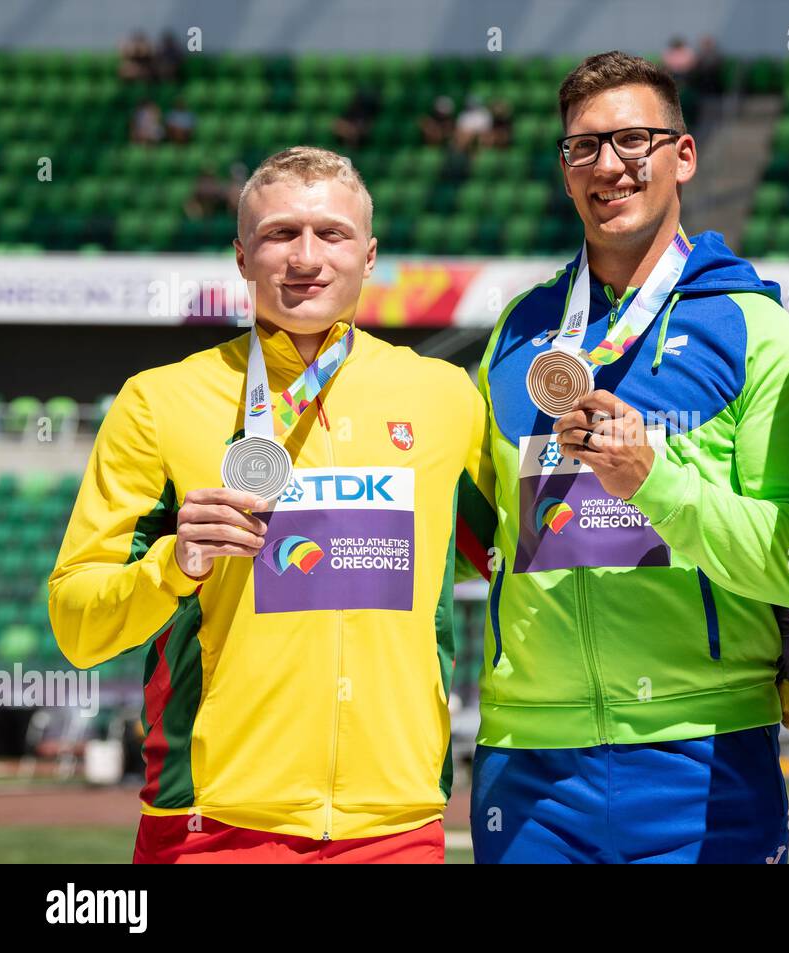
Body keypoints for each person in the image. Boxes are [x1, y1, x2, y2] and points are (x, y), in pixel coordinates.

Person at [49, 146, 489, 863]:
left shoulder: (444, 398)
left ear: (370, 255)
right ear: (242, 256)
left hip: (397, 821)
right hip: (211, 821)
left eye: (332, 234)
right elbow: (76, 623)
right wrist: (172, 565)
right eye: (281, 234)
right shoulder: (158, 403)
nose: (306, 257)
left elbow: (521, 558)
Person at [458, 51, 789, 863]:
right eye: (582, 146)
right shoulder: (519, 335)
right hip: (531, 757)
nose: (607, 165)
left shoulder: (757, 333)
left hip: (704, 751)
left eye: (632, 140)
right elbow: (489, 538)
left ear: (682, 156)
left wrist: (657, 485)